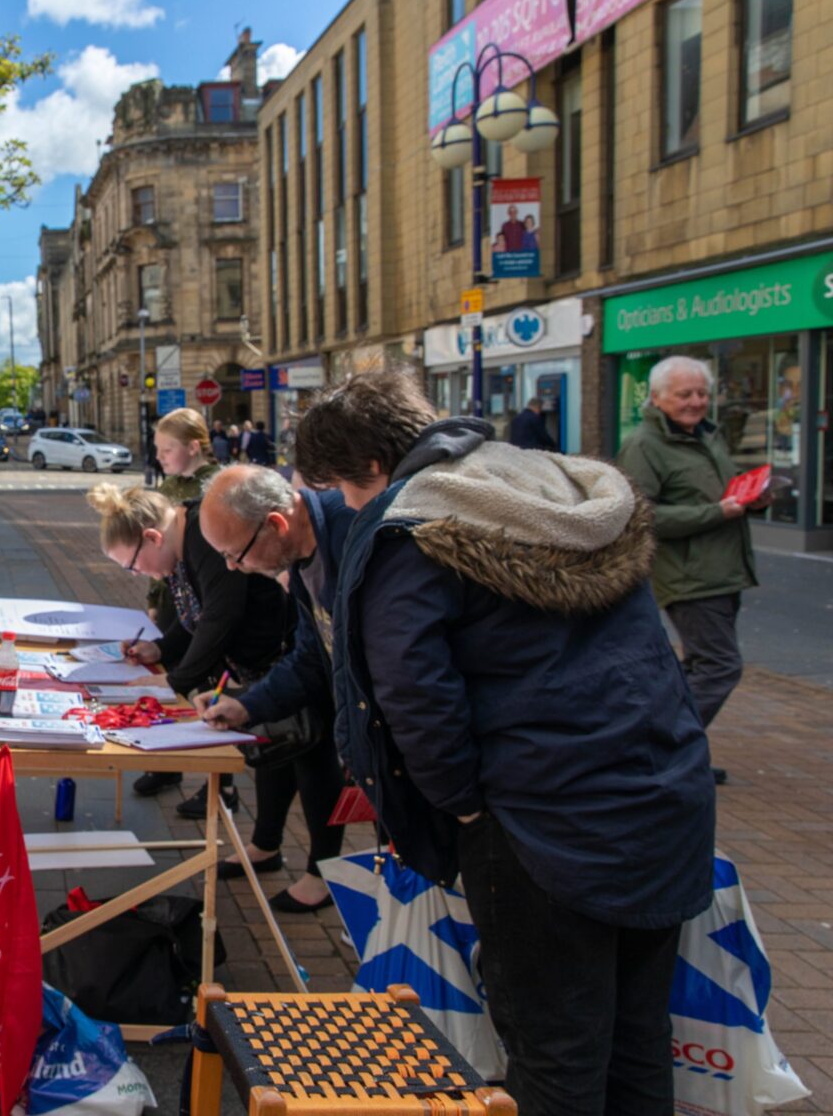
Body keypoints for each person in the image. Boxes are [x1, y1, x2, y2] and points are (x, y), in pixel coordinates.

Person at [294, 372, 715, 1116]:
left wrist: (460, 809)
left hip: (540, 824)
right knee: (637, 1041)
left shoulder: (412, 520)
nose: (346, 509)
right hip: (661, 793)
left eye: (342, 490)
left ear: (367, 467)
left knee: (553, 1055)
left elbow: (410, 689)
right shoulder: (553, 479)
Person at [195, 466, 355, 912]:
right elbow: (310, 655)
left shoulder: (349, 536)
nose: (232, 567)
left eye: (236, 553)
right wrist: (245, 706)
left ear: (276, 525)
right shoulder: (304, 558)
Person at [88, 485, 290, 818]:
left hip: (278, 653)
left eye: (133, 565)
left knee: (295, 756)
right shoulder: (178, 548)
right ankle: (264, 846)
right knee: (274, 756)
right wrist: (160, 649)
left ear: (153, 537)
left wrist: (175, 681)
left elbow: (221, 614)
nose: (138, 574)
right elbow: (195, 616)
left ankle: (289, 855)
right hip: (256, 660)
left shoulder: (201, 536)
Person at [618, 355, 764, 787]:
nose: (696, 402)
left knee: (698, 667)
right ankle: (665, 754)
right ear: (659, 398)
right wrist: (716, 512)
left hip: (723, 569)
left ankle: (673, 750)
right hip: (688, 575)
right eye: (685, 394)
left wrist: (752, 497)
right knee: (720, 666)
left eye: (701, 393)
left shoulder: (706, 435)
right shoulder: (646, 444)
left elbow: (721, 491)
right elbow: (638, 514)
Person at [132, 408, 224, 800]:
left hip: (207, 592)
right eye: (158, 449)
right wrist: (154, 600)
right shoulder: (168, 487)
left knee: (207, 681)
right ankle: (166, 762)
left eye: (167, 449)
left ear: (194, 447)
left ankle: (219, 782)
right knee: (169, 671)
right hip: (173, 594)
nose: (161, 456)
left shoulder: (216, 486)